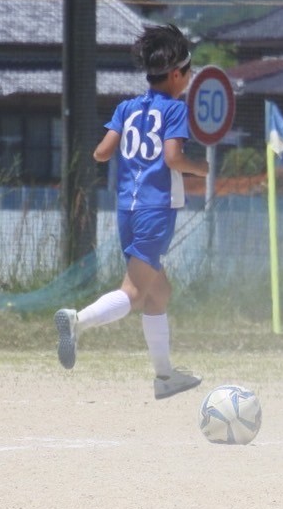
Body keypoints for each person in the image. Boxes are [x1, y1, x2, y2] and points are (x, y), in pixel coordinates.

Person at [54, 23, 209, 400]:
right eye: (188, 74)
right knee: (136, 292)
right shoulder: (174, 110)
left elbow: (101, 153)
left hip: (127, 208)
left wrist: (131, 150)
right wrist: (203, 168)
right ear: (176, 74)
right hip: (156, 210)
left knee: (159, 293)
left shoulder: (127, 107)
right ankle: (78, 321)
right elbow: (173, 158)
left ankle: (165, 377)